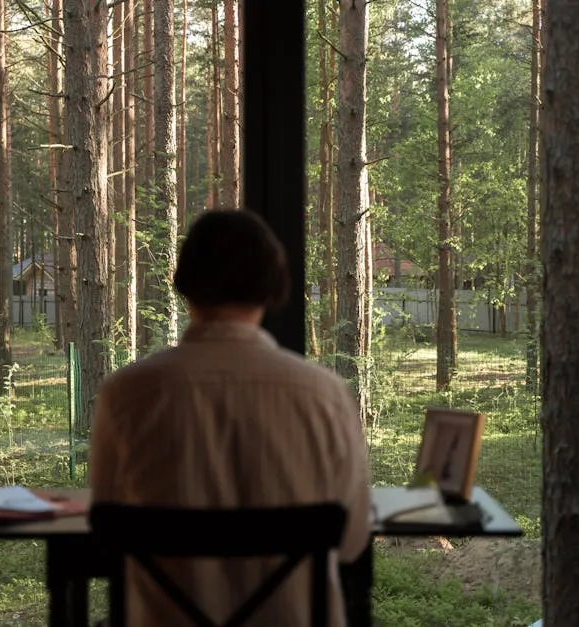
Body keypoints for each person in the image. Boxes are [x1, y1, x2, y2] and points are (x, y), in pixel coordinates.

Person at [89, 209, 371, 627]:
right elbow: (350, 541)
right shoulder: (324, 395)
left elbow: (107, 530)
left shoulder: (127, 394)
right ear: (273, 286)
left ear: (184, 282)